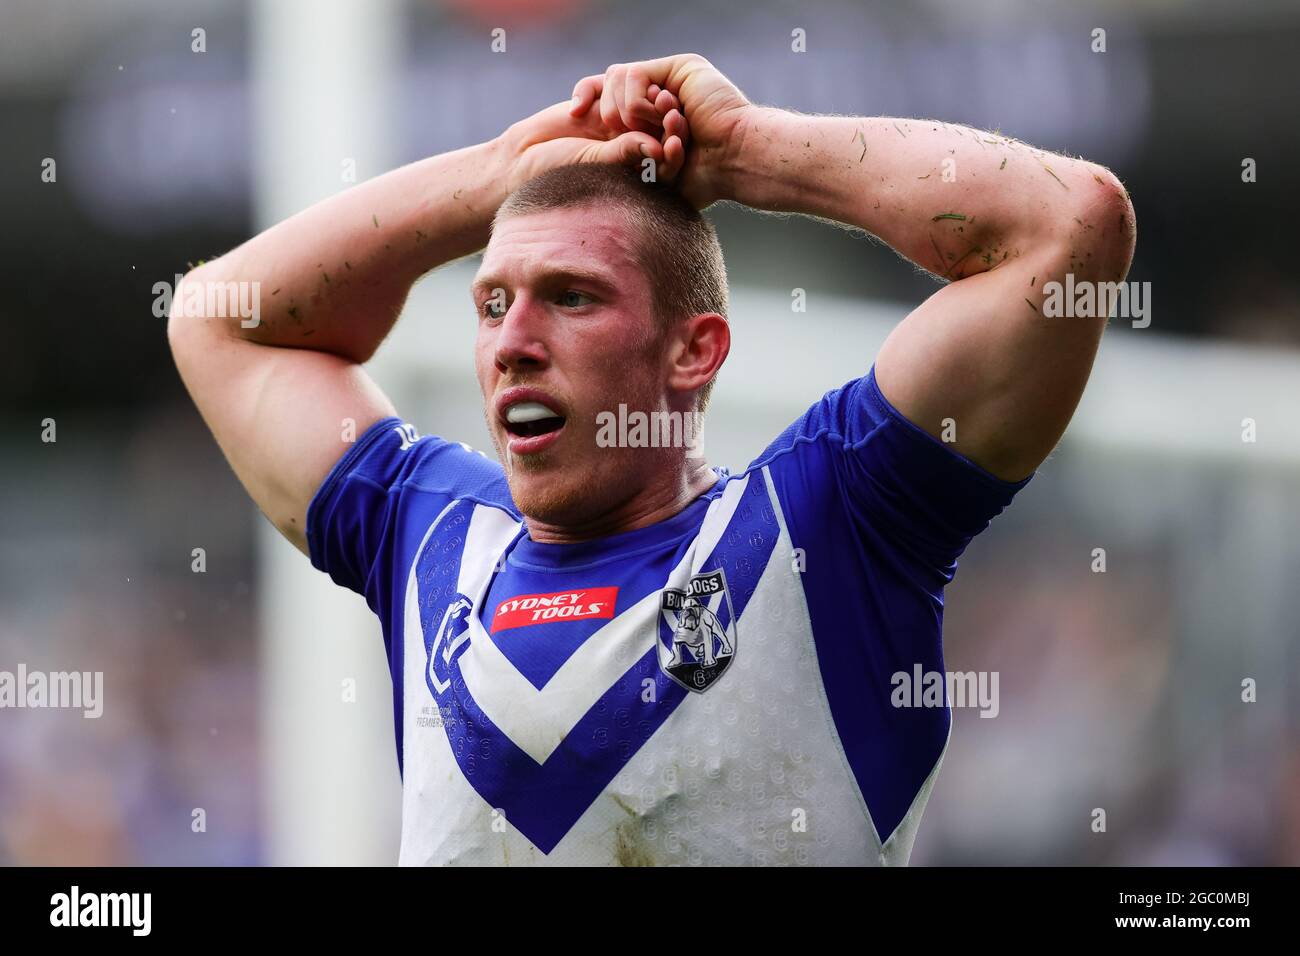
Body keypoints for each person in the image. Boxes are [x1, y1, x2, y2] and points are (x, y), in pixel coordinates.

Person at [168, 53, 1135, 865]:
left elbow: (1069, 227)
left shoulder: (829, 530)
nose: (513, 341)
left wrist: (755, 155)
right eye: (494, 303)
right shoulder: (426, 535)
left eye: (572, 297)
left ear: (694, 350)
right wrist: (502, 171)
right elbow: (220, 320)